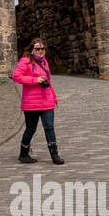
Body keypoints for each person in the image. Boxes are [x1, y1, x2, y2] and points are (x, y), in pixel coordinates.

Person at [12, 37, 64, 165]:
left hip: (46, 101)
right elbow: (16, 76)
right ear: (32, 50)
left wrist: (54, 97)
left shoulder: (45, 62)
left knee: (49, 127)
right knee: (31, 129)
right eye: (37, 49)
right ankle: (23, 154)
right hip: (31, 103)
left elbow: (49, 82)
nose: (41, 51)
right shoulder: (25, 61)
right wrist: (35, 80)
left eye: (42, 49)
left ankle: (55, 155)